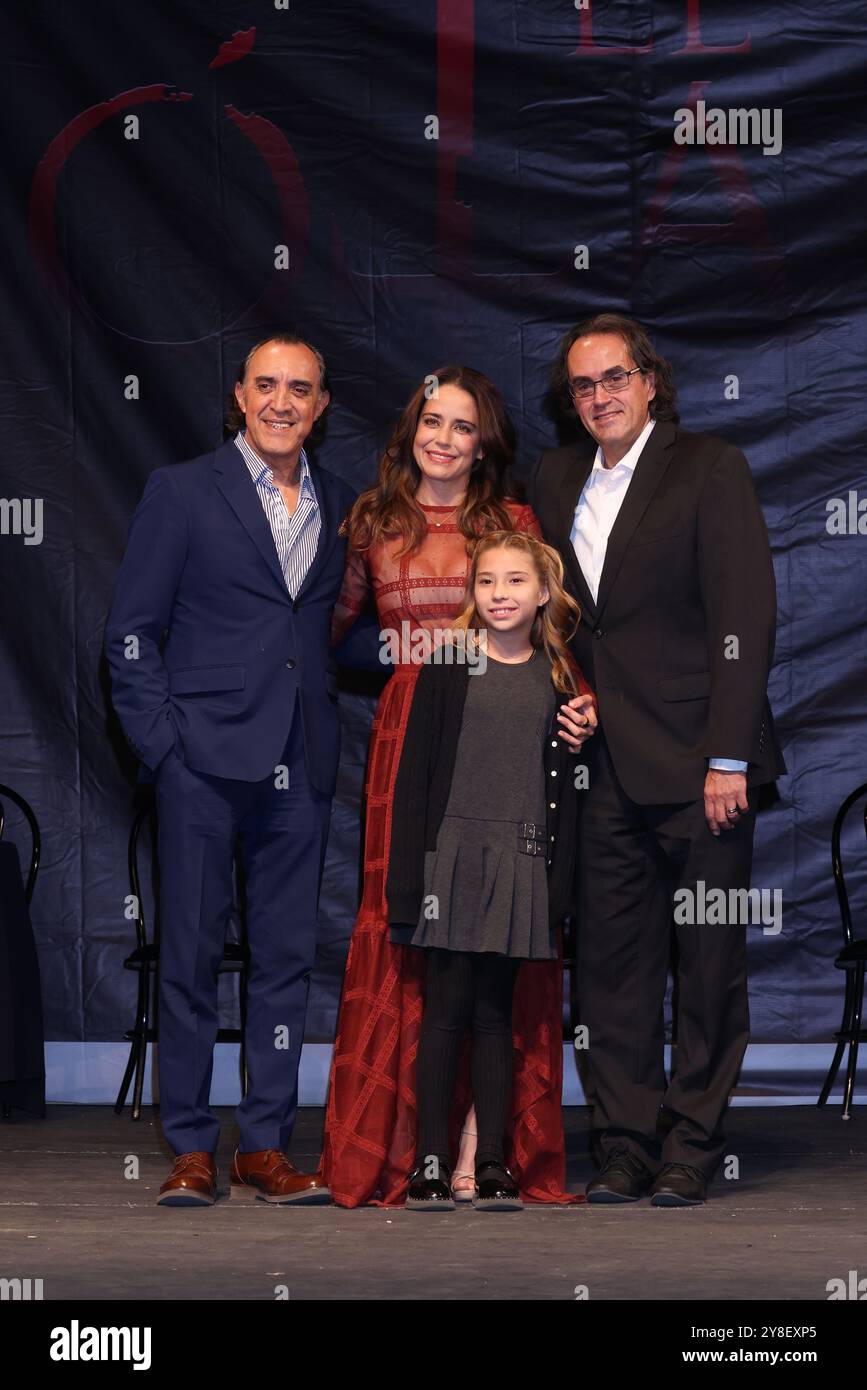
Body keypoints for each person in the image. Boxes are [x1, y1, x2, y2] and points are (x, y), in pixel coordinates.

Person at [320, 366, 595, 1206]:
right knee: (411, 933)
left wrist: (575, 705)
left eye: (462, 426)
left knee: (499, 953)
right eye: (430, 422)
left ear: (484, 442)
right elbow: (338, 634)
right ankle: (409, 1150)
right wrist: (407, 655)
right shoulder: (373, 518)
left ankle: (485, 1147)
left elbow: (542, 626)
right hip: (413, 736)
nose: (443, 438)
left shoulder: (508, 522)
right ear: (410, 432)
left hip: (504, 729)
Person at [527, 313, 785, 1207]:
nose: (597, 396)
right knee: (608, 971)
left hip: (699, 768)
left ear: (648, 382)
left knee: (708, 962)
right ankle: (627, 1142)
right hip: (602, 770)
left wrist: (726, 758)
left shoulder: (708, 467)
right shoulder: (556, 476)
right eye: (582, 385)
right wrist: (569, 693)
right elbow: (558, 616)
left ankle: (691, 1142)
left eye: (613, 378)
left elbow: (743, 617)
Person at [105, 334, 355, 1207]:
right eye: (267, 386)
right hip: (202, 764)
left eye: (301, 388)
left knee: (285, 962)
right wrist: (165, 748)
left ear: (320, 407)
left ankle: (264, 1145)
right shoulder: (181, 491)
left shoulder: (344, 504)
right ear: (239, 398)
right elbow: (131, 632)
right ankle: (187, 1146)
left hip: (300, 759)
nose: (283, 401)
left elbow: (327, 635)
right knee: (191, 959)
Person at [387, 532, 596, 1211]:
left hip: (520, 858)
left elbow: (565, 783)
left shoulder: (557, 677)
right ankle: (430, 1159)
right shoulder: (448, 665)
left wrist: (577, 741)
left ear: (542, 593)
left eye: (513, 582)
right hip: (451, 858)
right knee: (444, 1013)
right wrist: (409, 882)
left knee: (492, 1016)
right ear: (470, 592)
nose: (498, 594)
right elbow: (414, 776)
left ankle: (495, 1161)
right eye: (485, 582)